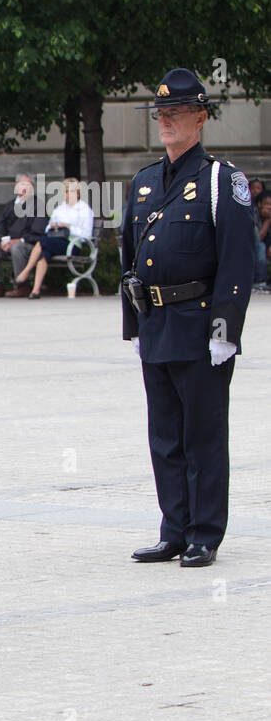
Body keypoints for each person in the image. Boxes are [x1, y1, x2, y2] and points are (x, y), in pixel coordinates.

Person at [122, 68, 252, 568]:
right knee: (165, 436)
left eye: (176, 113)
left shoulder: (222, 181)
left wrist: (225, 332)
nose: (167, 122)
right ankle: (173, 528)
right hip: (155, 323)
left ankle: (204, 533)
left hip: (199, 327)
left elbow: (238, 263)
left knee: (203, 435)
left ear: (201, 117)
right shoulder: (144, 181)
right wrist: (134, 326)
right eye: (161, 114)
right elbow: (129, 258)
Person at [14, 177, 93, 299]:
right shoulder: (60, 209)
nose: (68, 194)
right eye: (66, 191)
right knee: (44, 253)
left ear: (77, 193)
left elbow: (86, 235)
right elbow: (47, 229)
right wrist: (54, 226)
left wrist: (67, 227)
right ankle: (35, 291)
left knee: (42, 242)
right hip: (54, 240)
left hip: (72, 244)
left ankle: (26, 271)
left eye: (71, 191)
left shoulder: (84, 210)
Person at [0, 174, 41, 297]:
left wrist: (19, 240)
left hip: (28, 245)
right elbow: (0, 228)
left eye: (28, 185)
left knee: (17, 248)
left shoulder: (38, 206)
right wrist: (2, 242)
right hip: (8, 244)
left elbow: (38, 232)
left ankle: (22, 285)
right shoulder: (9, 206)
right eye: (22, 184)